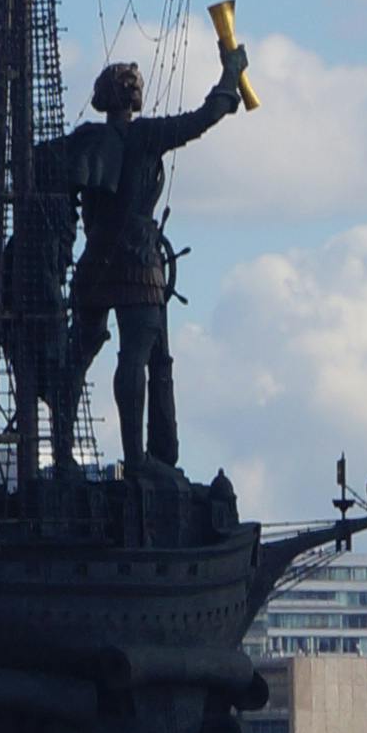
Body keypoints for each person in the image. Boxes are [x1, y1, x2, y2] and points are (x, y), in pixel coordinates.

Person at [31, 32, 252, 473]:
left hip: (94, 265)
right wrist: (231, 74)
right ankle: (136, 462)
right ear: (133, 99)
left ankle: (60, 453)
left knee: (77, 353)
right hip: (138, 264)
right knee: (136, 356)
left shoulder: (84, 141)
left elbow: (39, 163)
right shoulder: (148, 135)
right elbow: (203, 117)